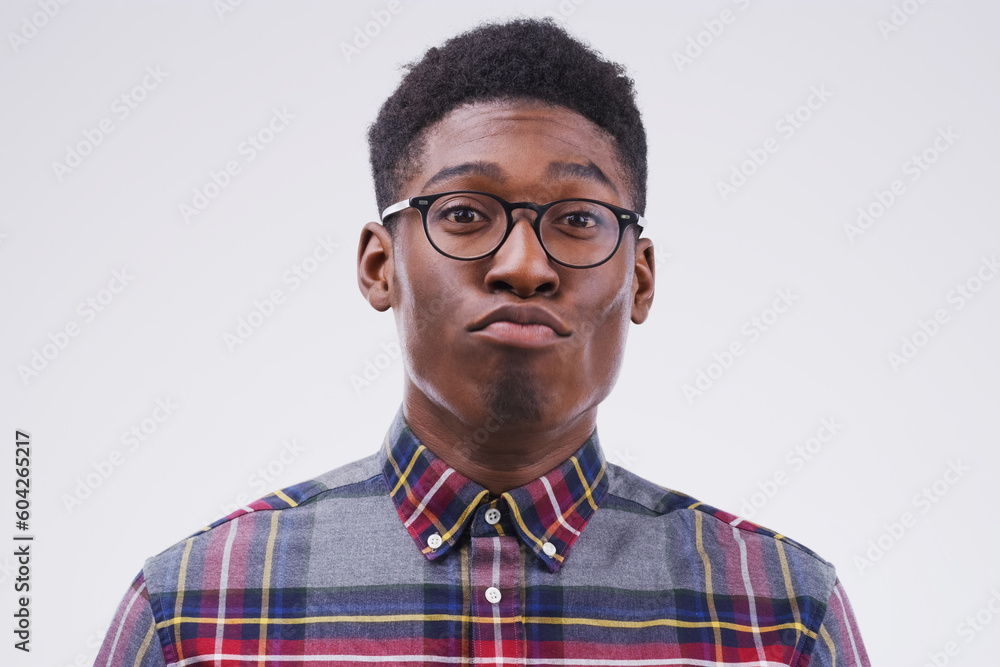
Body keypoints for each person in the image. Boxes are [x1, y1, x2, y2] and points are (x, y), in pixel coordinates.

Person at [95, 17, 870, 666]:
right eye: (466, 213)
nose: (525, 265)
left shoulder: (782, 615)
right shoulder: (194, 610)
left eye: (578, 219)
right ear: (379, 265)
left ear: (638, 278)